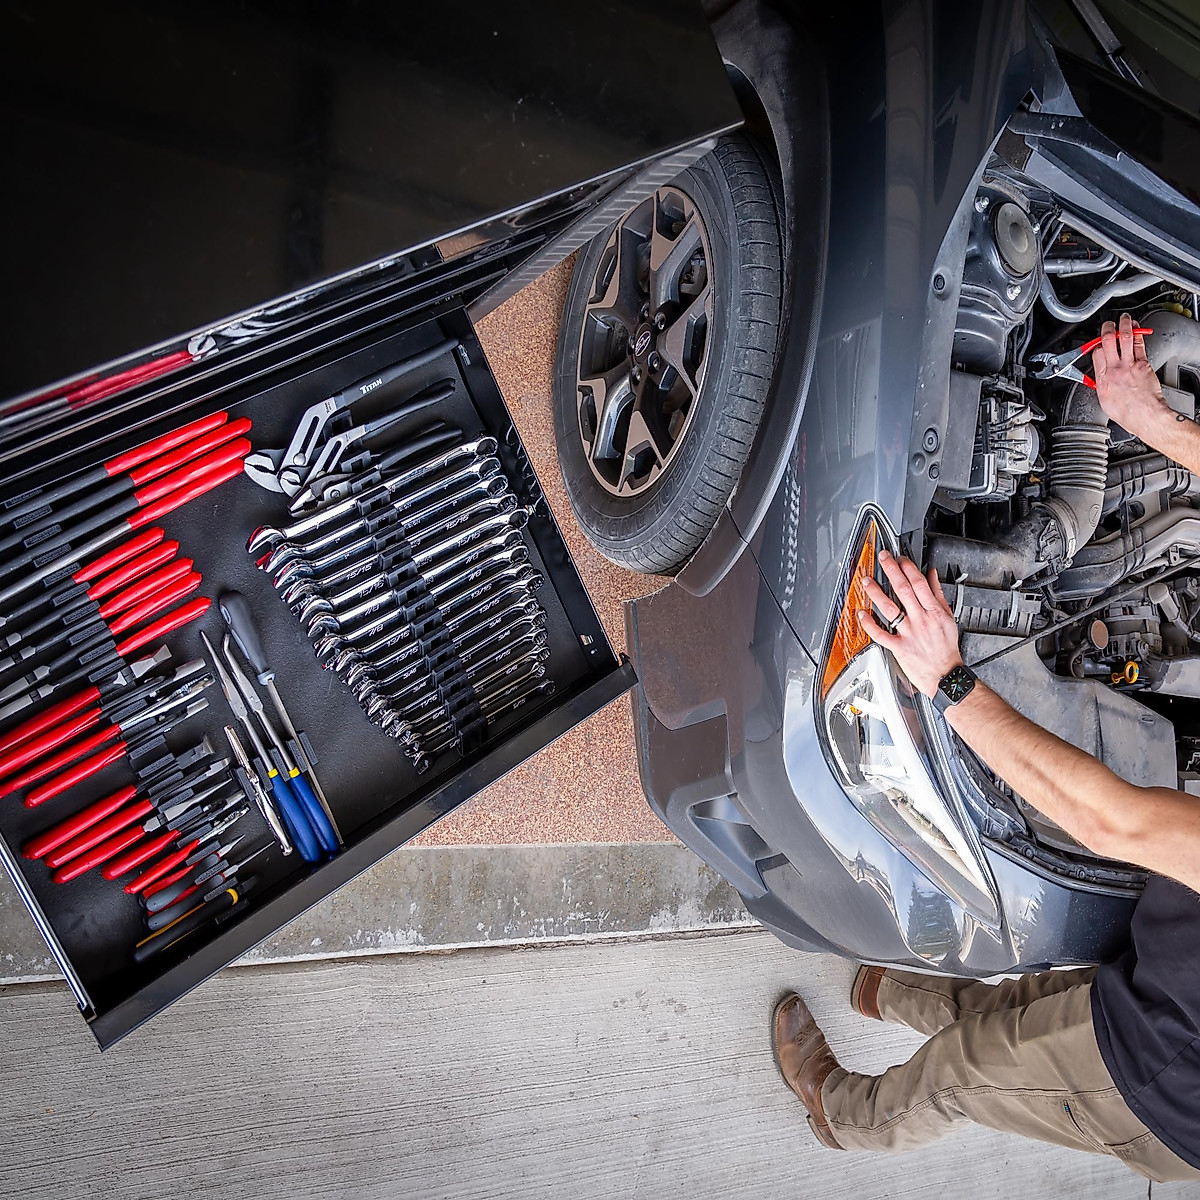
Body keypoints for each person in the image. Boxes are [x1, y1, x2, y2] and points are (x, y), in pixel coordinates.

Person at [771, 314, 1200, 1183]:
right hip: (1173, 960)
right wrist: (1152, 421)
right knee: (1022, 1010)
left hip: (1166, 1079)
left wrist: (948, 679)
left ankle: (838, 1115)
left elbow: (1107, 820)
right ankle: (886, 989)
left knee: (963, 1075)